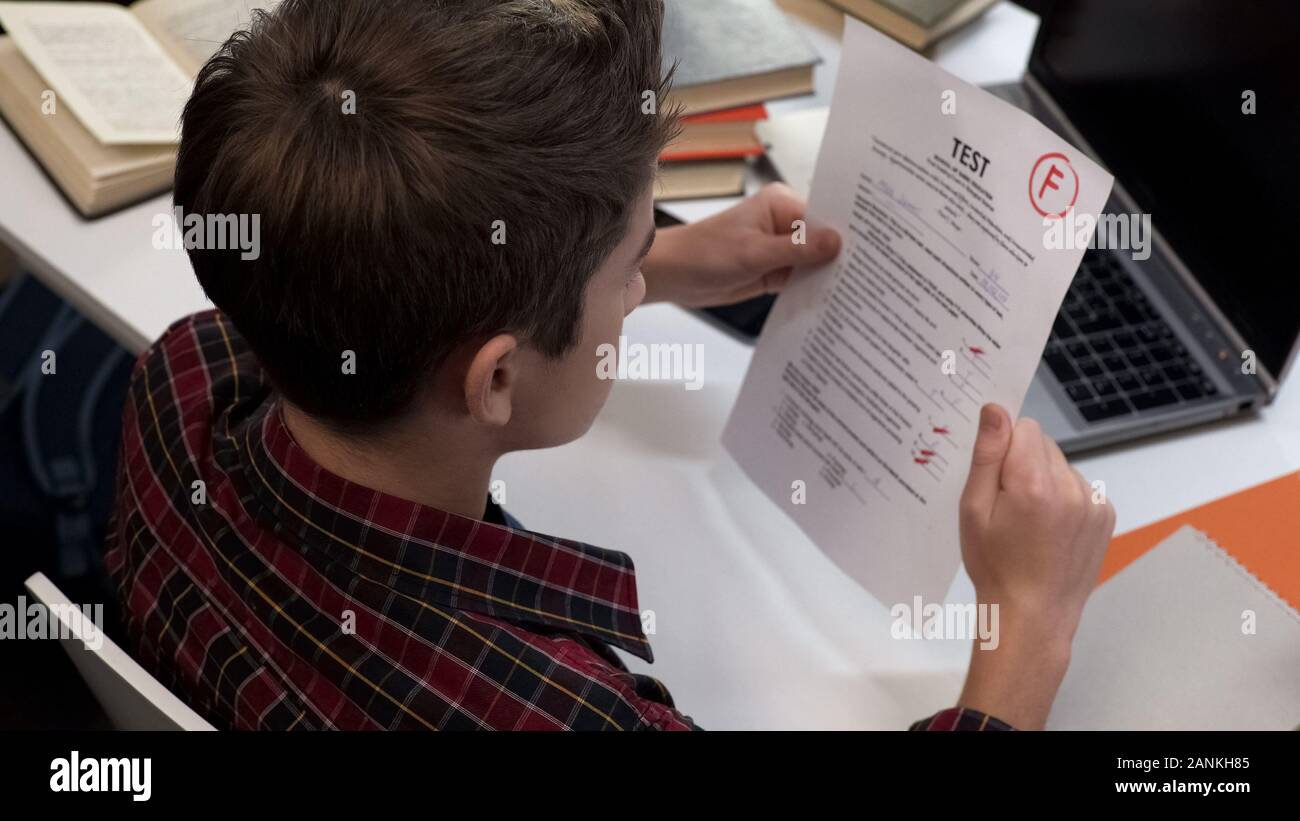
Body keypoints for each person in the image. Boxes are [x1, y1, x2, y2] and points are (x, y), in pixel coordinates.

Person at [104, 0, 1114, 730]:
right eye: (629, 262)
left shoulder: (183, 383)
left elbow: (346, 282)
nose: (639, 284)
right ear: (494, 379)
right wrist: (1024, 630)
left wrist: (654, 266)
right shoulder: (566, 709)